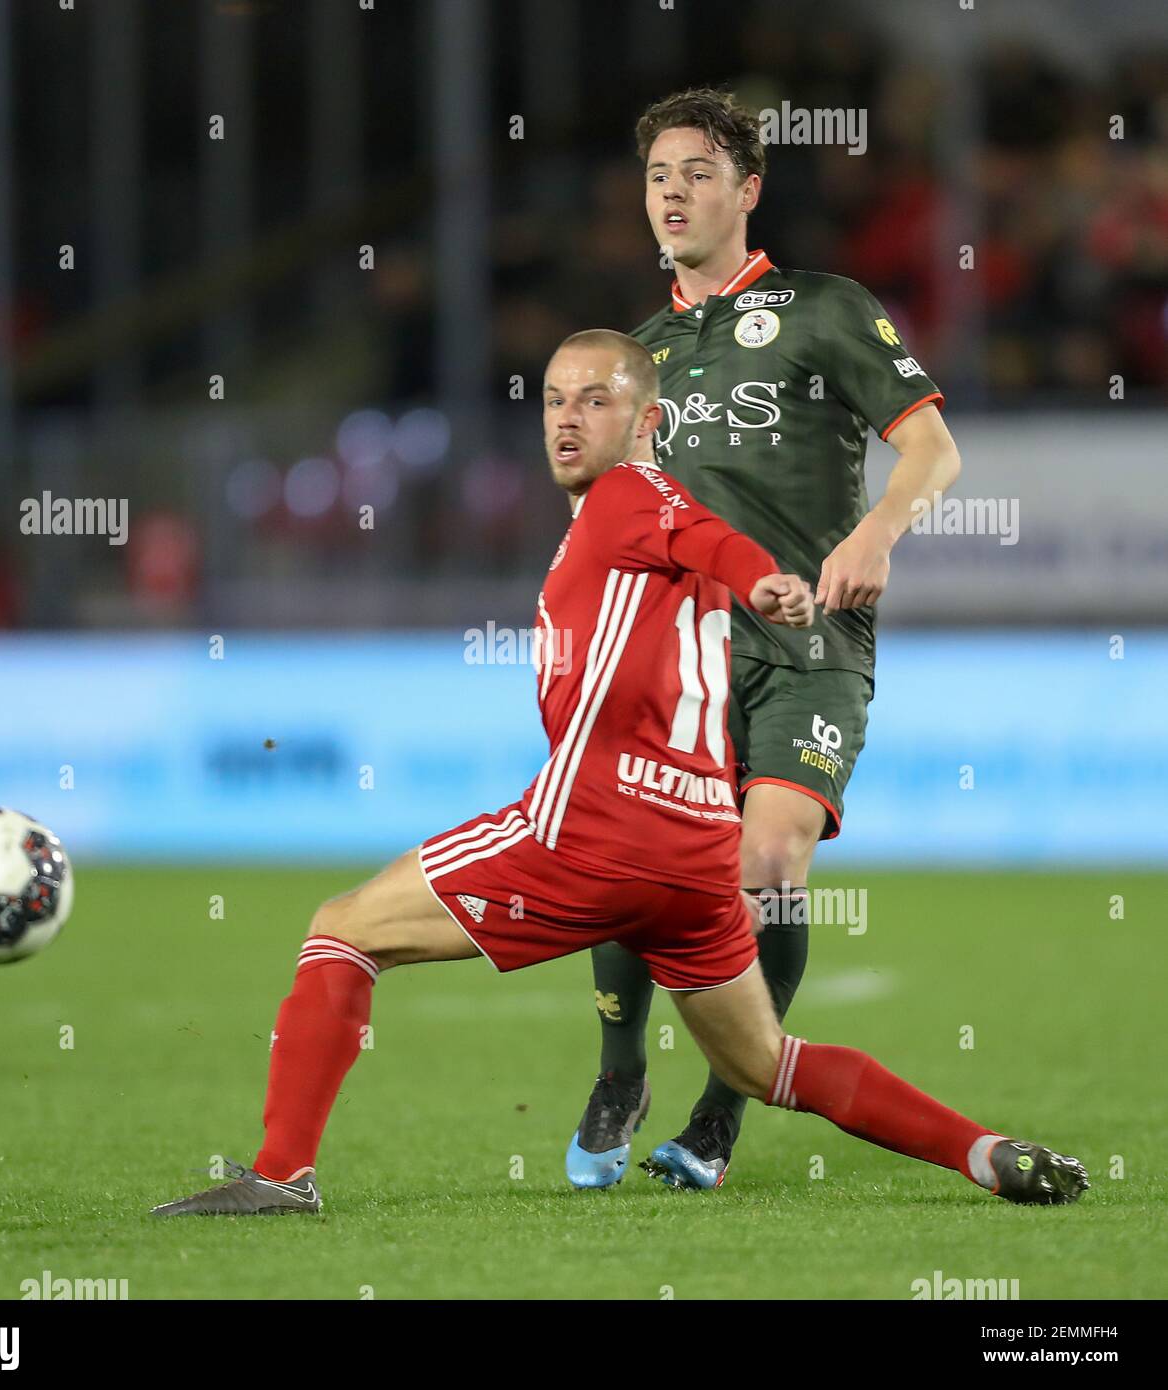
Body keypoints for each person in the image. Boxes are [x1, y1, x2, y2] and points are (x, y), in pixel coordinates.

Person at [152, 332, 1085, 1217]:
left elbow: (708, 540)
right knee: (768, 1063)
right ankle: (985, 1154)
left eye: (596, 401)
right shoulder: (620, 524)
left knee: (341, 932)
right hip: (692, 858)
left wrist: (761, 578)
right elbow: (697, 550)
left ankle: (281, 1175)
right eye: (556, 399)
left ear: (649, 422)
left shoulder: (630, 495)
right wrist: (749, 580)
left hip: (591, 831)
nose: (567, 418)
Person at [570, 87, 964, 1191]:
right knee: (634, 868)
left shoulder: (823, 307)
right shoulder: (635, 358)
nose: (674, 195)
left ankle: (718, 1116)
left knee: (770, 860)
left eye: (698, 174)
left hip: (810, 642)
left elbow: (933, 452)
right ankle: (617, 1074)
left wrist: (880, 531)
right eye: (657, 177)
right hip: (672, 655)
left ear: (747, 191)